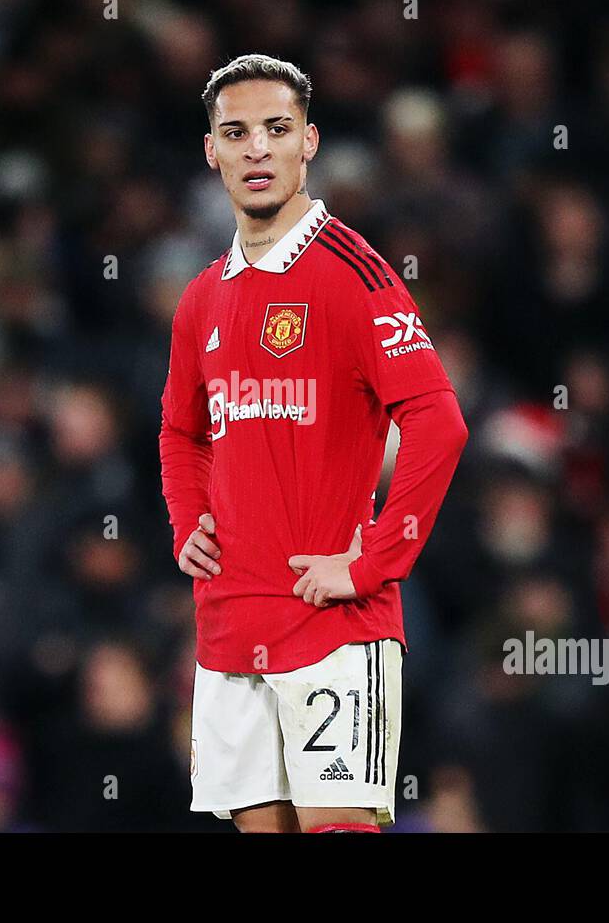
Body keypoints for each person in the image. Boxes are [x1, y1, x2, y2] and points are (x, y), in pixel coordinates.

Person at [159, 55, 469, 833]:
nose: (256, 149)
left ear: (310, 143)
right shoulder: (201, 299)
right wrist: (187, 517)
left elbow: (439, 422)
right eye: (236, 133)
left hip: (332, 622)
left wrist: (372, 563)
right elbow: (180, 429)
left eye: (276, 129)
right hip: (230, 620)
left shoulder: (354, 273)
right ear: (212, 153)